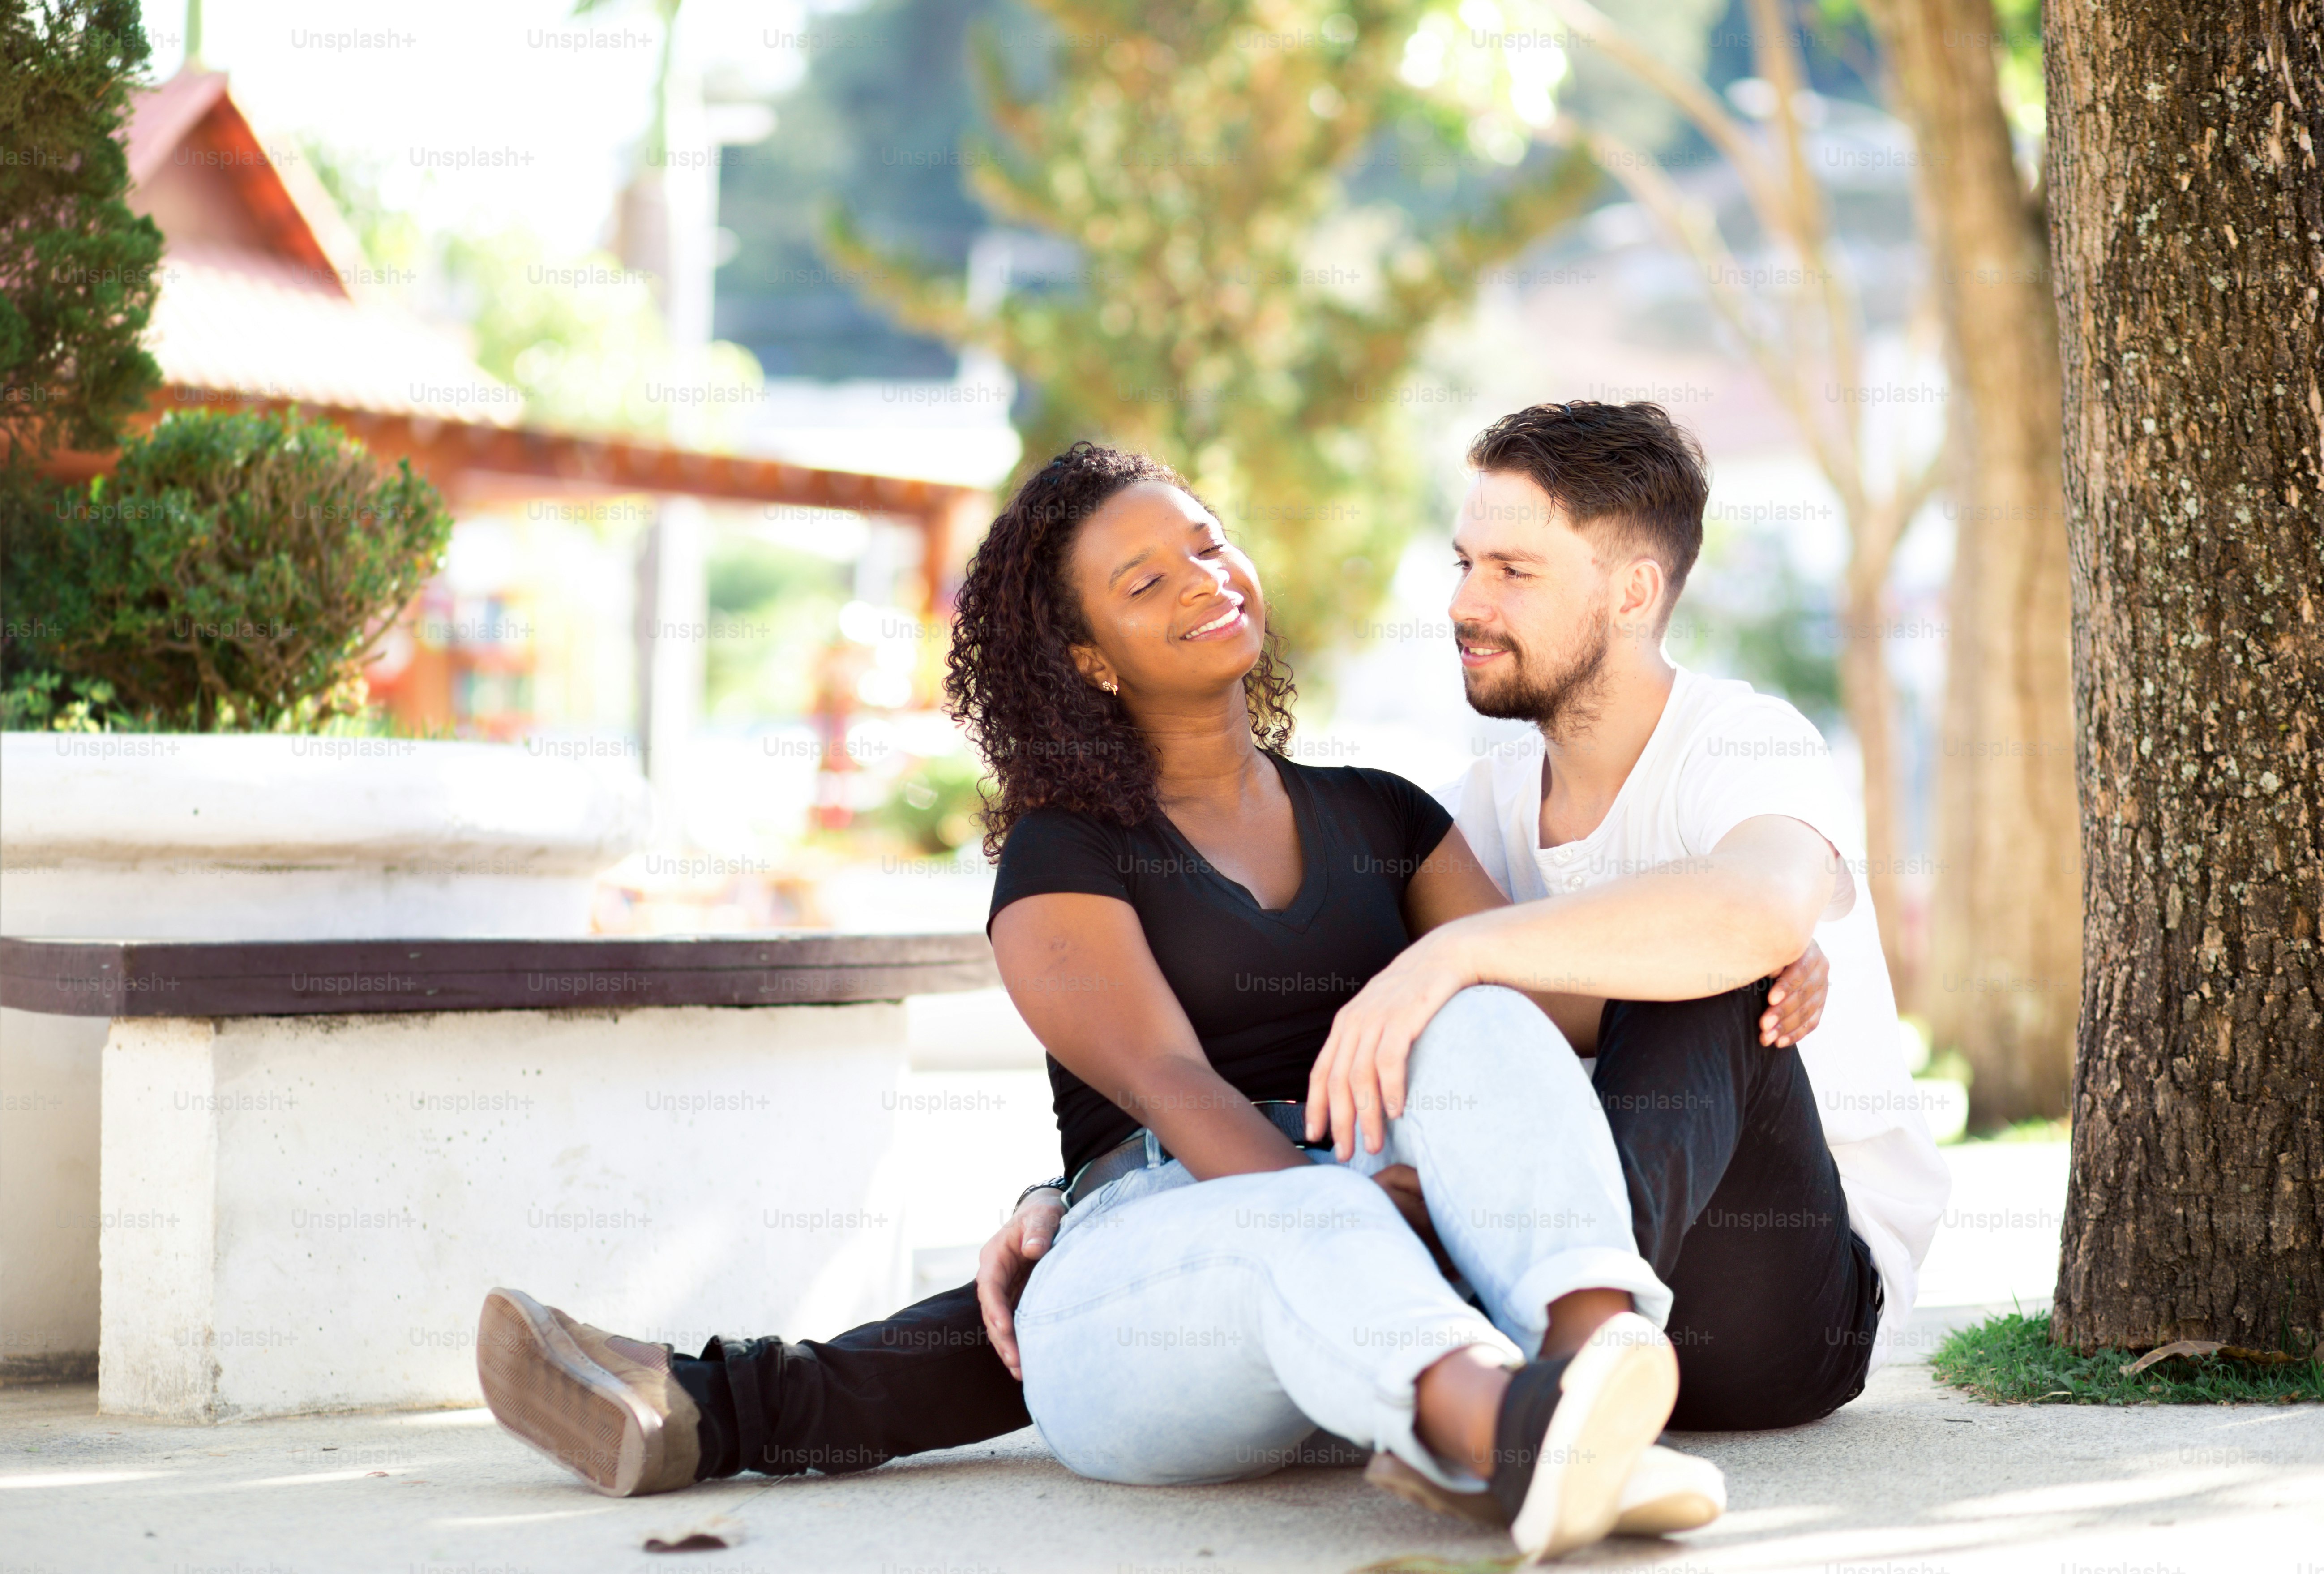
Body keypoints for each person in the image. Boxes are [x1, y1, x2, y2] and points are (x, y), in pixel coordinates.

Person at [478, 402, 1943, 1543]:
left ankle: (1576, 1358)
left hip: (1564, 1240)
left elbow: (1565, 1018)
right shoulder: (1073, 848)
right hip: (1217, 1218)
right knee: (1295, 1215)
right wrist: (1090, 1191)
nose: (1203, 577)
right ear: (1090, 658)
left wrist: (1758, 960)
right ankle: (1541, 1415)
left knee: (1472, 1020)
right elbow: (1168, 1086)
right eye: (1145, 577)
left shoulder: (1399, 813)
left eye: (1205, 541)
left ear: (1628, 590)